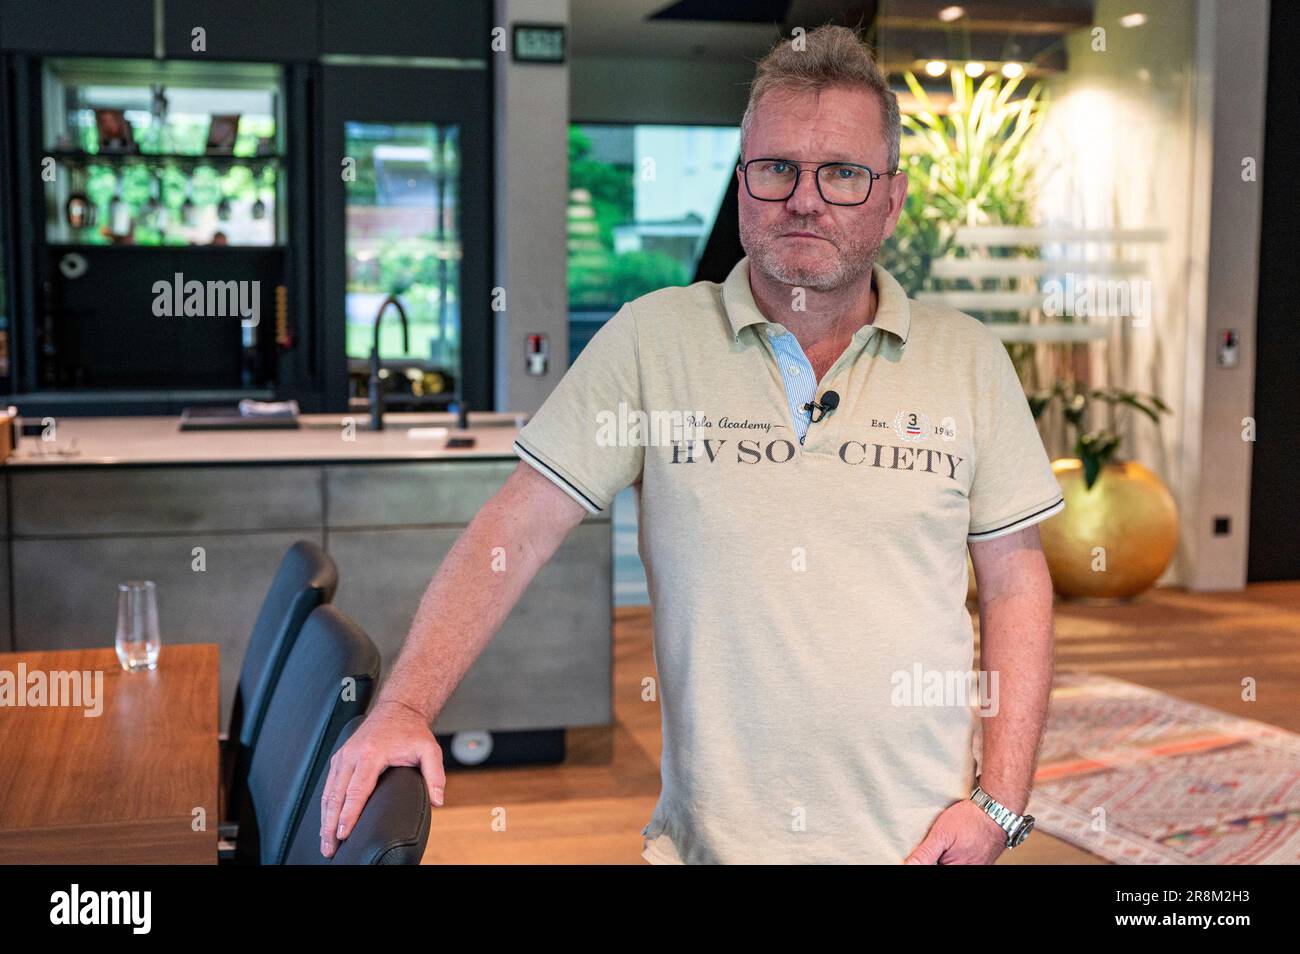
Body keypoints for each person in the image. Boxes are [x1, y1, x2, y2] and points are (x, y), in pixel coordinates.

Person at [319, 23, 1063, 864]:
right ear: (741, 186)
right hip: (712, 848)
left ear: (891, 199)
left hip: (924, 847)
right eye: (776, 168)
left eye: (843, 174)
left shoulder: (968, 360)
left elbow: (1013, 585)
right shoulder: (652, 341)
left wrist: (999, 807)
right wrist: (405, 707)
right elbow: (514, 529)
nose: (804, 198)